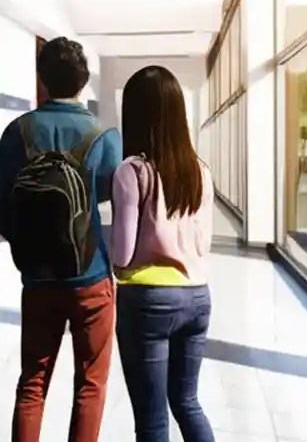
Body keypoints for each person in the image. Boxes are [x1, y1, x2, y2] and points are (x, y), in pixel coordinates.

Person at [0, 37, 122, 442]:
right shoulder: (104, 136)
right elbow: (110, 195)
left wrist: (30, 245)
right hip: (90, 276)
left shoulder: (18, 131)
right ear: (83, 83)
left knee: (33, 382)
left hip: (39, 279)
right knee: (90, 384)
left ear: (41, 78)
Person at [110, 65, 215, 442]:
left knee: (153, 422)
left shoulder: (132, 171)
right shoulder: (201, 171)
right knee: (187, 402)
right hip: (198, 296)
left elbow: (122, 257)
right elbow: (204, 243)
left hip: (148, 301)